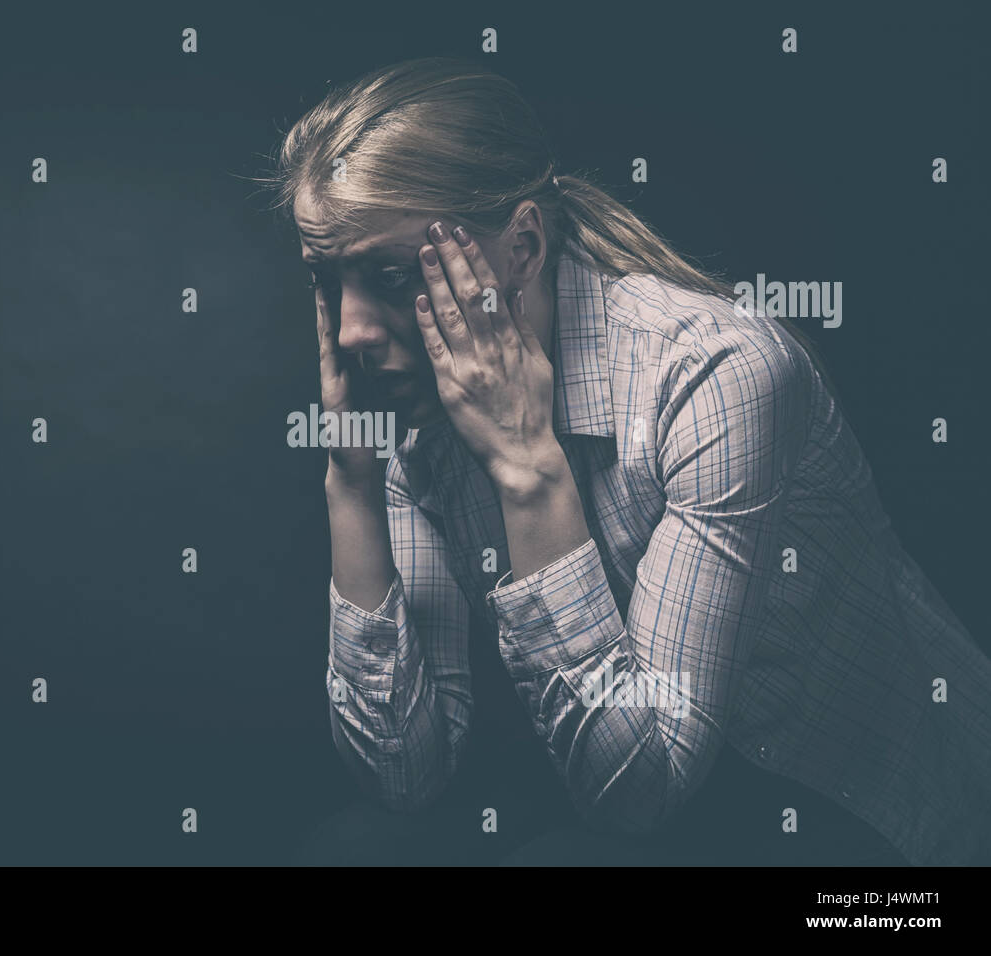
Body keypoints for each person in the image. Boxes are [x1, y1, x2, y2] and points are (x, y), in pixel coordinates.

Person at [262, 56, 991, 865]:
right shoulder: (418, 416)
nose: (354, 331)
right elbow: (401, 776)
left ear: (524, 248)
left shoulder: (719, 372)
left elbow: (638, 791)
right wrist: (353, 483)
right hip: (676, 800)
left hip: (870, 820)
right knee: (347, 848)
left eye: (393, 276)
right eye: (327, 281)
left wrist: (526, 467)